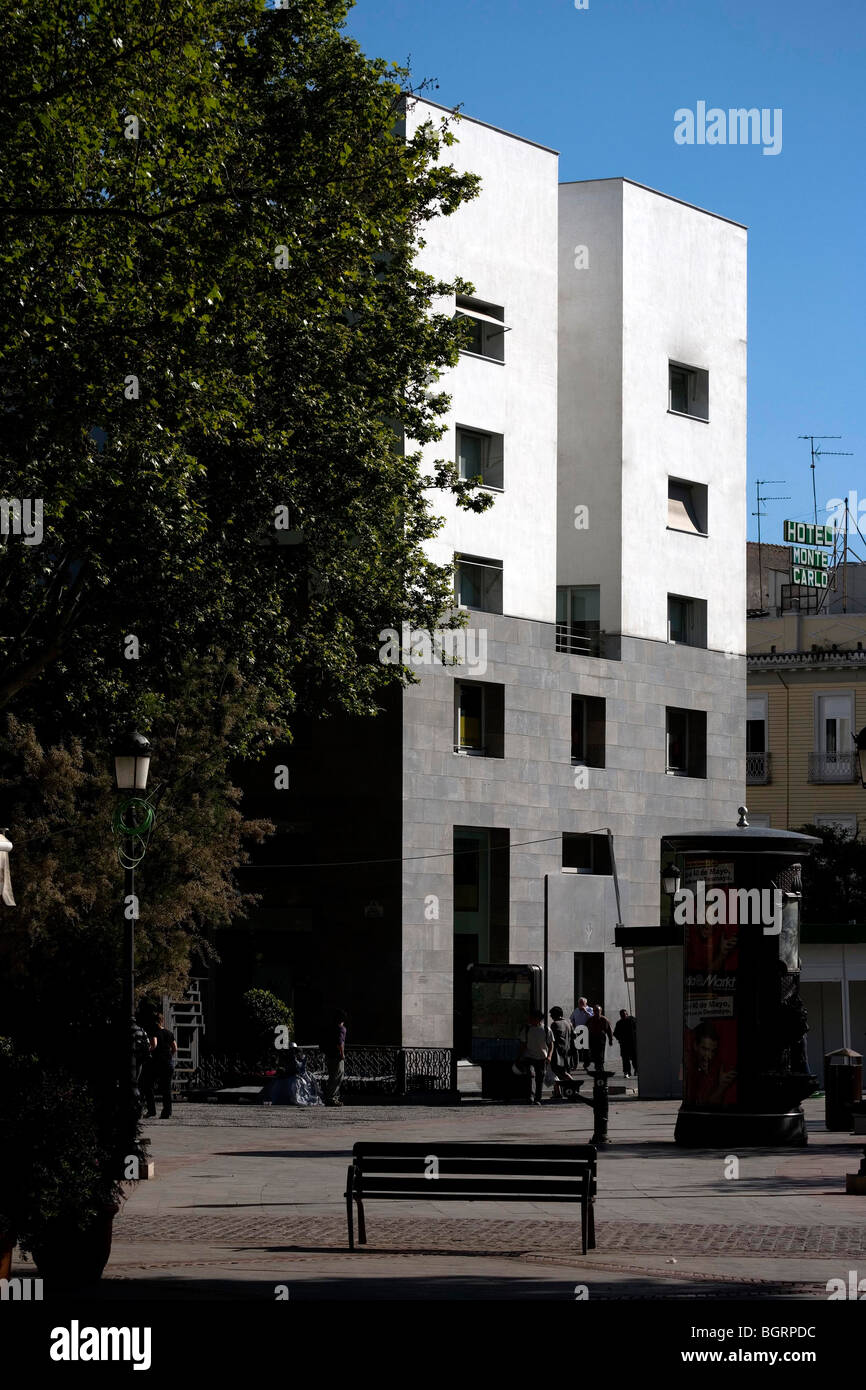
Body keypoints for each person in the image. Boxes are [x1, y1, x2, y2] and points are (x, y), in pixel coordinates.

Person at [142, 1013, 177, 1119]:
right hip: (168, 1063)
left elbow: (154, 1045)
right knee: (166, 1089)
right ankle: (167, 1112)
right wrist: (169, 1055)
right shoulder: (169, 1033)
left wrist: (146, 1049)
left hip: (156, 1063)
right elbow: (175, 1047)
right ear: (162, 1021)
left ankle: (151, 1110)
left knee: (148, 1085)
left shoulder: (154, 1032)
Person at [516, 1007, 553, 1105]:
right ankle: (530, 1097)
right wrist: (520, 1056)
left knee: (540, 1078)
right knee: (530, 1075)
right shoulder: (527, 1029)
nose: (530, 1020)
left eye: (532, 1018)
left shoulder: (546, 1029)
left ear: (538, 1019)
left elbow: (551, 1045)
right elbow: (523, 1044)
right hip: (529, 1056)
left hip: (541, 1057)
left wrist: (549, 1056)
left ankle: (538, 1098)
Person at [548, 1007, 575, 1099]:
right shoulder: (569, 1023)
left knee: (559, 1072)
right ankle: (557, 1092)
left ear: (556, 1014)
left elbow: (551, 1040)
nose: (551, 1016)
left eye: (552, 1014)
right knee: (557, 1072)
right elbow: (573, 1036)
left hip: (557, 1052)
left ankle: (573, 1085)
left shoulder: (554, 1024)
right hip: (567, 1051)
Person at [322, 1007, 346, 1107]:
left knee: (332, 1077)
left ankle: (331, 1097)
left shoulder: (330, 1028)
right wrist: (342, 1054)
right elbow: (340, 1043)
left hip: (329, 1055)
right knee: (337, 1077)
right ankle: (331, 1098)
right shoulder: (341, 1029)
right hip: (337, 1056)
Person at [586, 1003, 613, 1073]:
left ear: (600, 1011)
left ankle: (600, 1067)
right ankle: (597, 1065)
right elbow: (585, 1028)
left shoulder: (604, 1020)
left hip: (601, 1039)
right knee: (594, 1053)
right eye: (594, 1011)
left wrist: (610, 1039)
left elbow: (609, 1030)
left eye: (597, 1010)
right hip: (592, 1038)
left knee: (600, 1053)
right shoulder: (590, 1019)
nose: (596, 1012)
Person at [570, 997, 594, 1066]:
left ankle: (586, 1063)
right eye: (579, 1003)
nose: (580, 1004)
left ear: (586, 1003)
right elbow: (571, 1019)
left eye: (582, 1003)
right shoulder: (576, 1010)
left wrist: (586, 1012)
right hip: (577, 1031)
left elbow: (593, 1018)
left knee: (586, 1049)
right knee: (576, 1048)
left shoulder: (590, 1009)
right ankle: (575, 1064)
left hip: (586, 1031)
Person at [613, 1009, 638, 1077]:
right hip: (624, 1044)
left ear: (627, 1014)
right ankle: (627, 1072)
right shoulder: (619, 1023)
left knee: (634, 1058)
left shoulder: (632, 1020)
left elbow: (637, 1027)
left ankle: (636, 1070)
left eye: (624, 1015)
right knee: (625, 1059)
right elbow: (615, 1033)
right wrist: (620, 1039)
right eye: (622, 1015)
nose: (623, 1016)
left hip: (633, 1043)